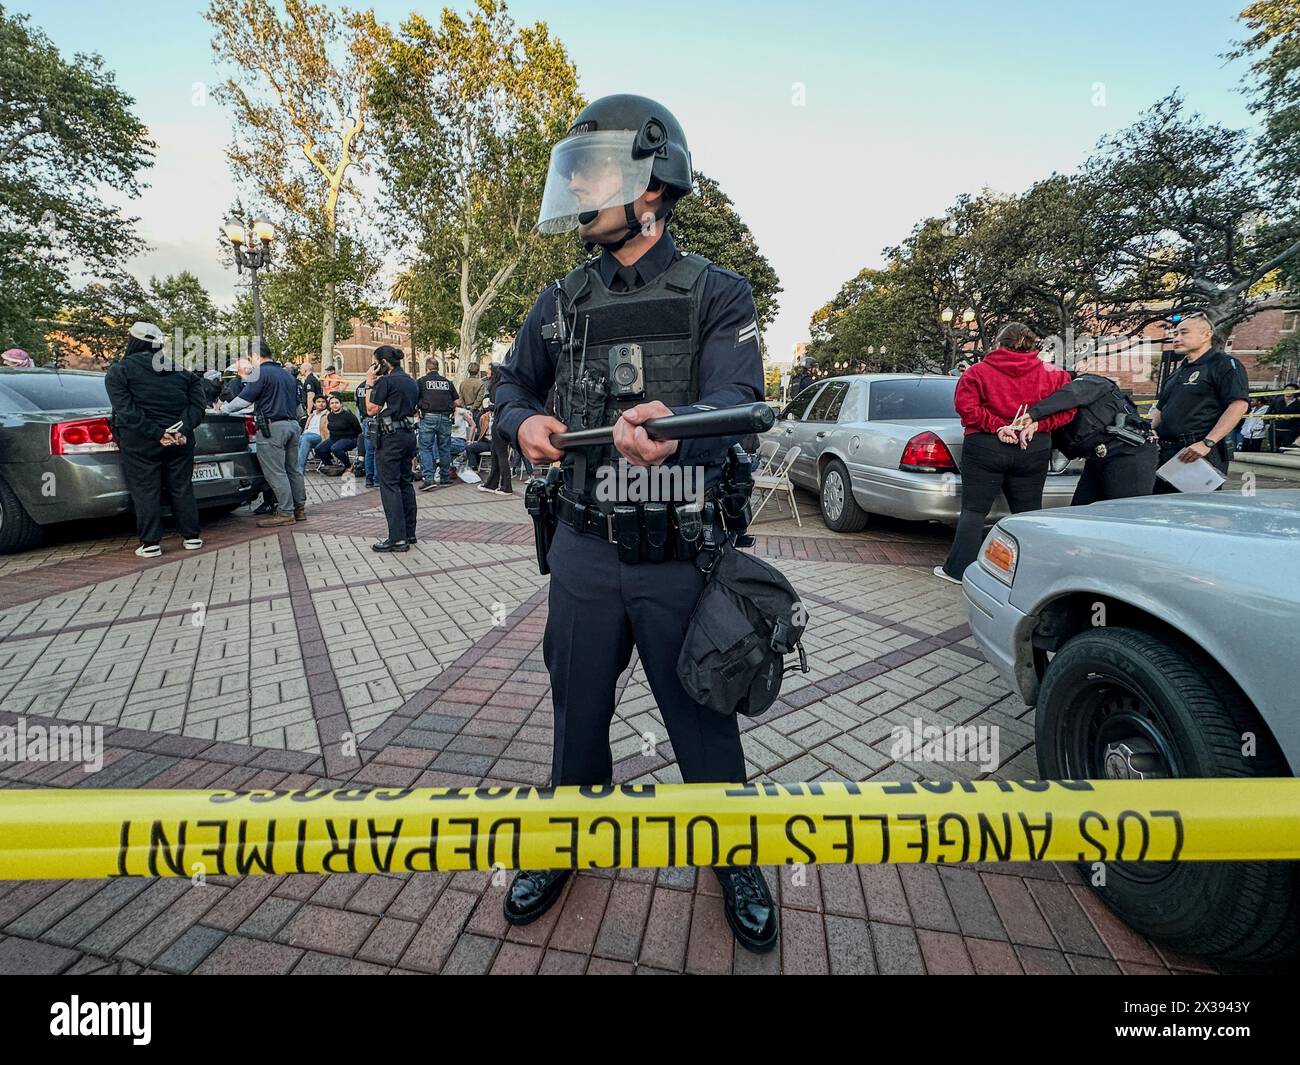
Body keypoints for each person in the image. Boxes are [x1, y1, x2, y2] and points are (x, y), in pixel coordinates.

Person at [492, 94, 775, 952]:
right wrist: (519, 422)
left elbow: (740, 402)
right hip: (583, 549)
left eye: (596, 175)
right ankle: (566, 839)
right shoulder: (560, 299)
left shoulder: (718, 294)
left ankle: (734, 858)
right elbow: (509, 385)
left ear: (653, 186)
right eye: (573, 175)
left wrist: (678, 421)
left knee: (701, 718)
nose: (580, 192)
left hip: (679, 555)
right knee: (575, 714)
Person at [934, 322, 1075, 584]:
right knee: (1028, 513)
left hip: (986, 446)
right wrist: (1038, 423)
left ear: (998, 344)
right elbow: (1067, 410)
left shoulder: (978, 372)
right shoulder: (1053, 374)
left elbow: (966, 409)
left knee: (974, 511)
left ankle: (958, 570)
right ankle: (1030, 574)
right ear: (1033, 346)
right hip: (1032, 446)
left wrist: (998, 426)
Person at [104, 322, 207, 557]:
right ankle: (191, 537)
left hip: (141, 442)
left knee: (145, 489)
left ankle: (150, 543)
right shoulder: (181, 371)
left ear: (134, 341)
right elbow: (198, 406)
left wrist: (157, 433)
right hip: (180, 440)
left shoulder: (119, 372)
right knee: (181, 486)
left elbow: (126, 411)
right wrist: (181, 429)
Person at [1012, 372, 1158, 504]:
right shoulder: (1058, 413)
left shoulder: (1088, 382)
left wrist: (1033, 414)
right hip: (1097, 458)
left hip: (1128, 454)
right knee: (1081, 515)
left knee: (1123, 518)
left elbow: (1072, 394)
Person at [1150, 313, 1249, 492]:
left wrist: (1207, 443)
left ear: (1206, 334)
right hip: (1166, 452)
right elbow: (1160, 407)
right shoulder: (1178, 371)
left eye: (1184, 333)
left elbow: (1238, 405)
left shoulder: (1224, 364)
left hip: (1198, 452)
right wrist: (1148, 431)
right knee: (1160, 509)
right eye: (1175, 333)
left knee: (1195, 513)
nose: (1177, 338)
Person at [222, 340, 307, 527]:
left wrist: (223, 409)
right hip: (293, 425)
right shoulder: (287, 375)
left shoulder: (259, 373)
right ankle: (299, 509)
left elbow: (243, 400)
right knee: (293, 469)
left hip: (272, 427)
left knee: (276, 472)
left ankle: (286, 512)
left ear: (256, 356)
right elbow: (299, 408)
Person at [365, 345, 420, 551]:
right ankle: (409, 532)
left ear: (383, 363)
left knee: (389, 485)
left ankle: (397, 538)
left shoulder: (386, 381)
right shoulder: (411, 381)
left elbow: (371, 409)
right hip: (407, 435)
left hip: (390, 438)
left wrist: (370, 383)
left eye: (375, 362)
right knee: (405, 483)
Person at [415, 357, 456, 491]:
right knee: (444, 447)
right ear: (438, 368)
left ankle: (429, 479)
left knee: (425, 448)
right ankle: (444, 477)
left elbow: (414, 399)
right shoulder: (447, 382)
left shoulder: (421, 382)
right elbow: (458, 401)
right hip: (445, 417)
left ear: (426, 369)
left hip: (428, 417)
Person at [475, 397, 513, 497]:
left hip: (500, 424)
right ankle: (492, 484)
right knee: (496, 456)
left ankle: (506, 486)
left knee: (501, 456)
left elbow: (500, 405)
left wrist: (490, 406)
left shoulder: (500, 387)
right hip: (498, 424)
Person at [316, 394, 362, 473]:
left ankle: (349, 466)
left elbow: (358, 430)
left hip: (349, 439)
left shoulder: (348, 415)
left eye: (336, 403)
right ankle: (331, 466)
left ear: (341, 404)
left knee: (335, 448)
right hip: (334, 438)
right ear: (329, 405)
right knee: (319, 449)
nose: (334, 405)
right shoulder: (330, 415)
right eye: (332, 403)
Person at [299, 394, 330, 472]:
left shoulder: (328, 414)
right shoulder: (312, 415)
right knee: (293, 439)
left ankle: (299, 470)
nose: (321, 403)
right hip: (306, 435)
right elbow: (306, 428)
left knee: (305, 439)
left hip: (319, 437)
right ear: (314, 404)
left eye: (323, 402)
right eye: (318, 402)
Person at [1278, 383, 1300, 451]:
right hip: (1277, 428)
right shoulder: (1277, 401)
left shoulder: (1298, 403)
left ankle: (1297, 443)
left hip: (1292, 430)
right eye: (1287, 389)